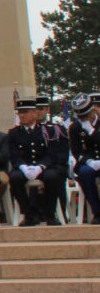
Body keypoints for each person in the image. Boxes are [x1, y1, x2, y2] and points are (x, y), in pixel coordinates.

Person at [6, 97, 67, 226]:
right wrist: (23, 167)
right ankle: (28, 214)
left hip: (43, 167)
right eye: (20, 112)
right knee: (15, 177)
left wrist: (40, 167)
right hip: (25, 167)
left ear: (35, 113)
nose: (22, 115)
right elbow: (14, 155)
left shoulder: (48, 131)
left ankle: (50, 214)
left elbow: (52, 153)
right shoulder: (13, 133)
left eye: (26, 112)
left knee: (52, 176)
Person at [68, 94, 100, 224]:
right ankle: (97, 212)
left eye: (85, 115)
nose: (83, 119)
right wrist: (89, 161)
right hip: (89, 163)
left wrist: (91, 131)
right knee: (84, 173)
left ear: (93, 110)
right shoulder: (75, 128)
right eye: (81, 117)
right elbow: (76, 151)